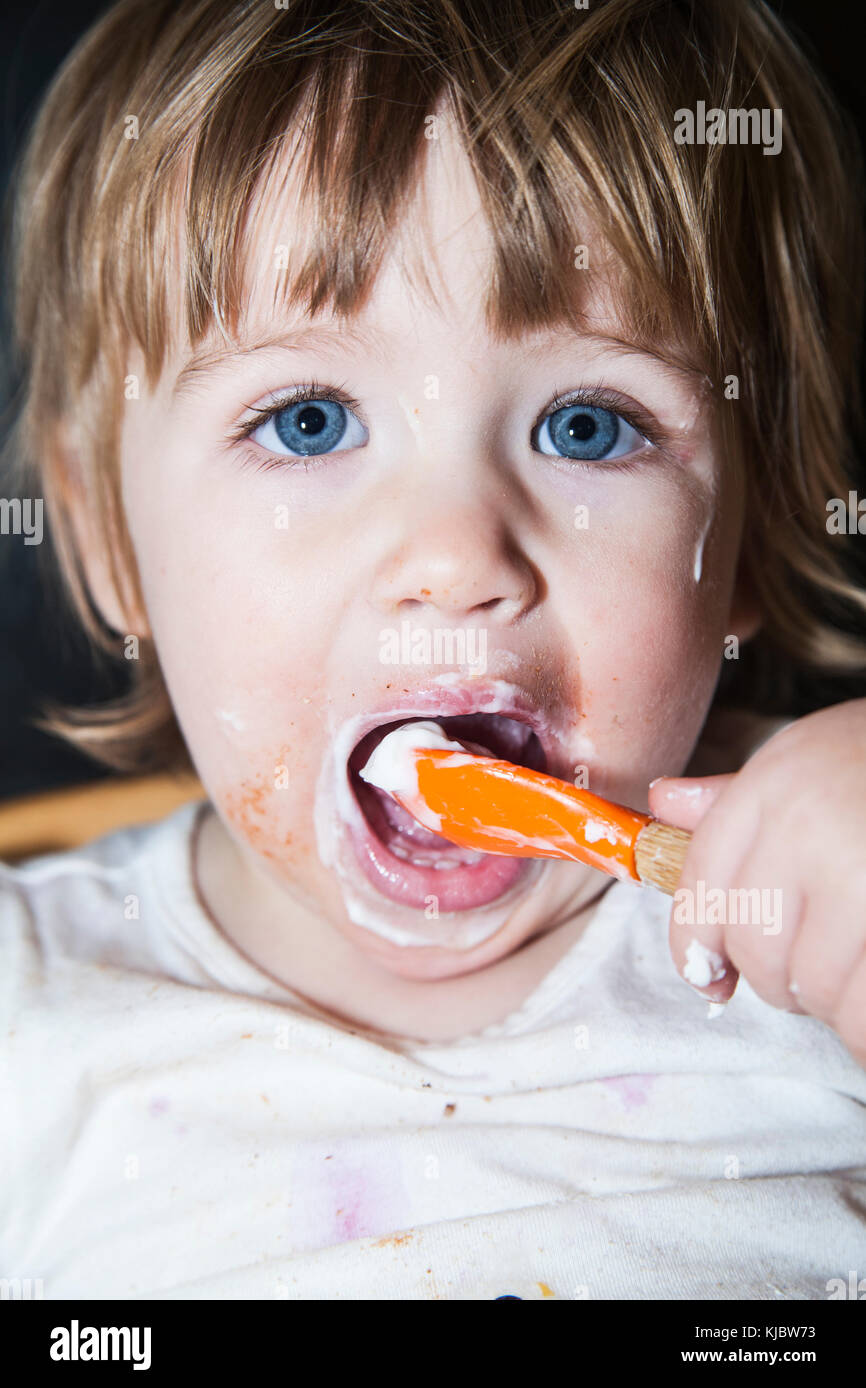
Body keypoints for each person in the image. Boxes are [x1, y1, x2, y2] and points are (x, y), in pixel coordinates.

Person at [1, 0, 864, 1299]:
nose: (456, 556)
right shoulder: (28, 1010)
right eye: (303, 421)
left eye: (586, 427)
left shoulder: (819, 928)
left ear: (742, 543)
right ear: (110, 542)